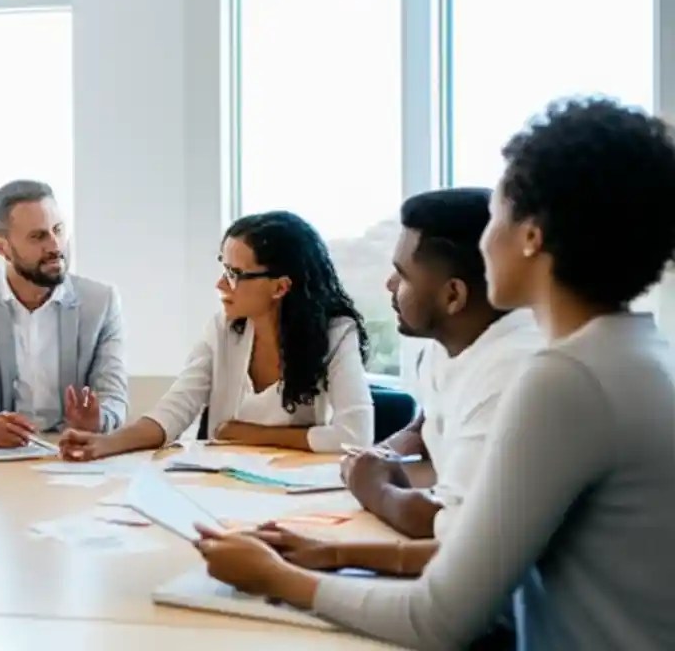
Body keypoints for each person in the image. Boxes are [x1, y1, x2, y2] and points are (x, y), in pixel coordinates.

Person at [195, 97, 675, 650]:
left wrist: (279, 579)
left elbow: (439, 620)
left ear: (531, 235)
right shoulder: (632, 356)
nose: (484, 238)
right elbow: (486, 553)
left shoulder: (565, 379)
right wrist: (331, 552)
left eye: (495, 215)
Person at [61, 211, 374, 460]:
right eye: (224, 269)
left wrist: (249, 434)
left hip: (299, 498)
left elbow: (355, 436)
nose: (221, 285)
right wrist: (104, 444)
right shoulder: (222, 329)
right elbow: (175, 410)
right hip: (224, 490)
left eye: (234, 275)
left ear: (280, 287)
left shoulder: (335, 333)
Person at [337, 188, 544, 549]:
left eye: (402, 275)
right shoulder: (443, 348)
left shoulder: (514, 369)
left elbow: (446, 524)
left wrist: (372, 487)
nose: (389, 284)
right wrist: (383, 453)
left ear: (453, 296)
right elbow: (431, 424)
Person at [0, 180, 128, 447]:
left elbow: (116, 402)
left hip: (70, 456)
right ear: (1, 247)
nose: (55, 246)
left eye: (58, 230)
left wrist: (98, 420)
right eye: (38, 236)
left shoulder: (100, 302)